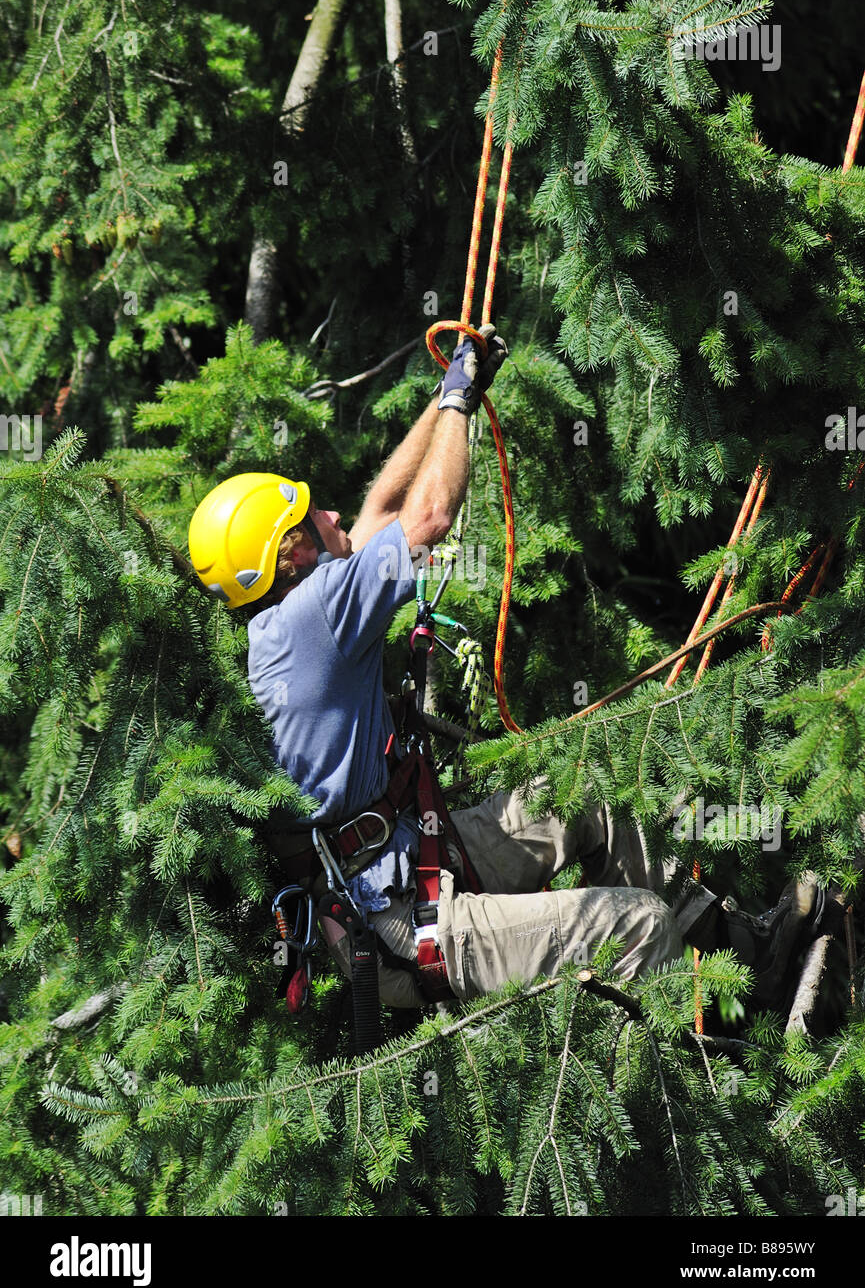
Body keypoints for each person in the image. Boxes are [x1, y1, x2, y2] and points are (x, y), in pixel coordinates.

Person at [187, 327, 837, 1011]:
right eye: (310, 513)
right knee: (634, 921)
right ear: (291, 553)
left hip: (407, 864)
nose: (331, 511)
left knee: (588, 793)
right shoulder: (316, 611)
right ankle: (705, 1066)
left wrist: (449, 393)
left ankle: (743, 958)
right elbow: (428, 516)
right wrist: (461, 401)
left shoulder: (289, 619)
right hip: (398, 926)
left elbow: (382, 509)